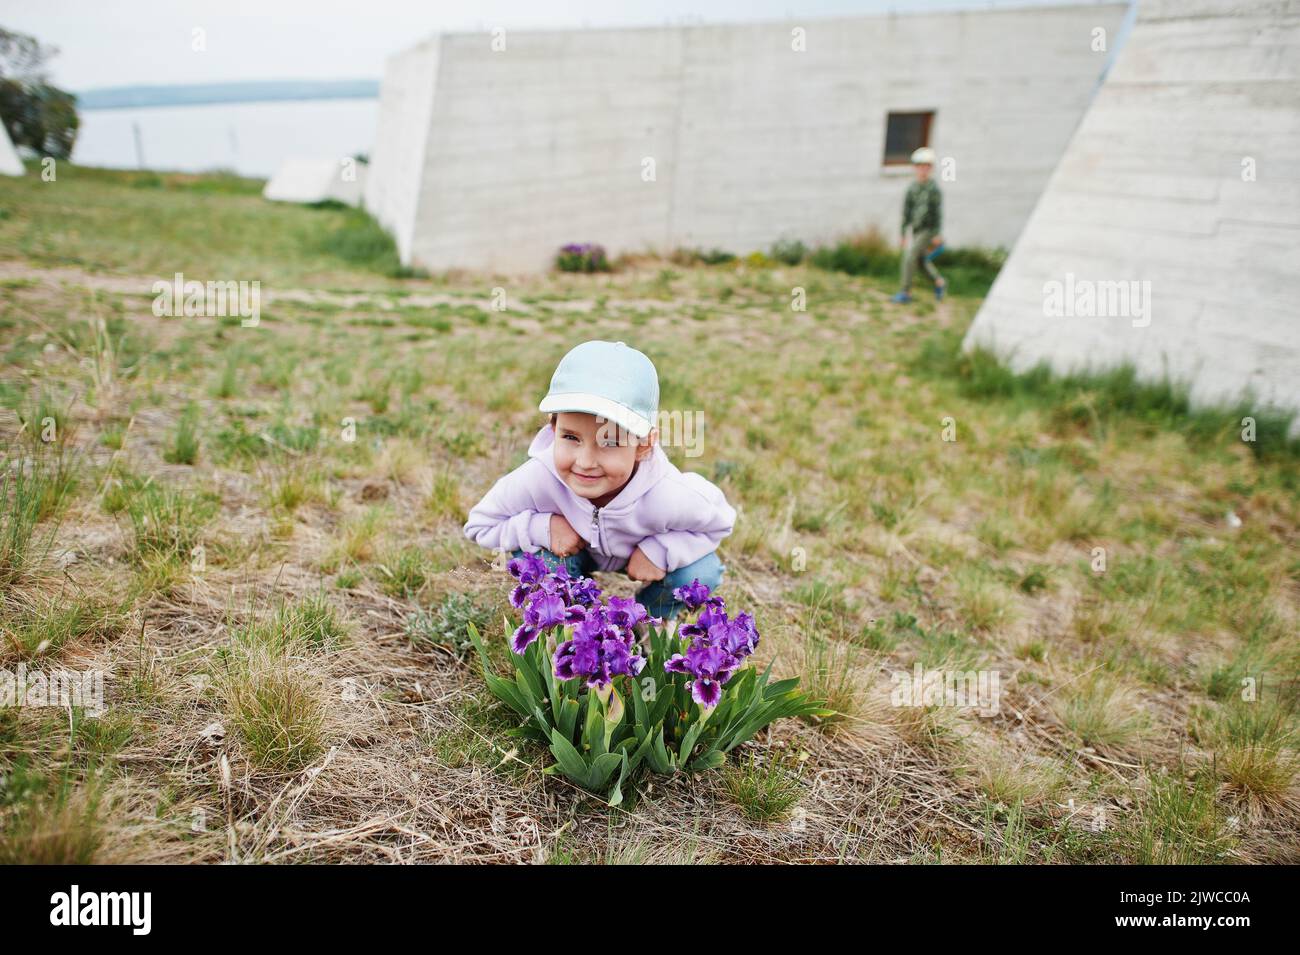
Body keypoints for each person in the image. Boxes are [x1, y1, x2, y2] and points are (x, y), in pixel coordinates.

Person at [463, 339, 735, 620]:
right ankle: (572, 622)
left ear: (644, 445)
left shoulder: (670, 494)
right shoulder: (538, 477)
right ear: (553, 428)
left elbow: (720, 523)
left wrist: (662, 551)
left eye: (610, 442)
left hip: (640, 555)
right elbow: (480, 525)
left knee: (700, 572)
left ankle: (649, 618)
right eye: (570, 437)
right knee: (538, 562)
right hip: (569, 553)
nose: (585, 462)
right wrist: (542, 527)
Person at [892, 146, 947, 304]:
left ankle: (905, 292)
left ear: (930, 168)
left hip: (928, 230)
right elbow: (906, 213)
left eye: (926, 166)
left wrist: (937, 233)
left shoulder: (934, 189)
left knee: (910, 257)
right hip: (916, 230)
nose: (923, 170)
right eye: (920, 166)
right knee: (921, 261)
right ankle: (939, 282)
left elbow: (938, 213)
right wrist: (903, 234)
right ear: (915, 168)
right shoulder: (912, 188)